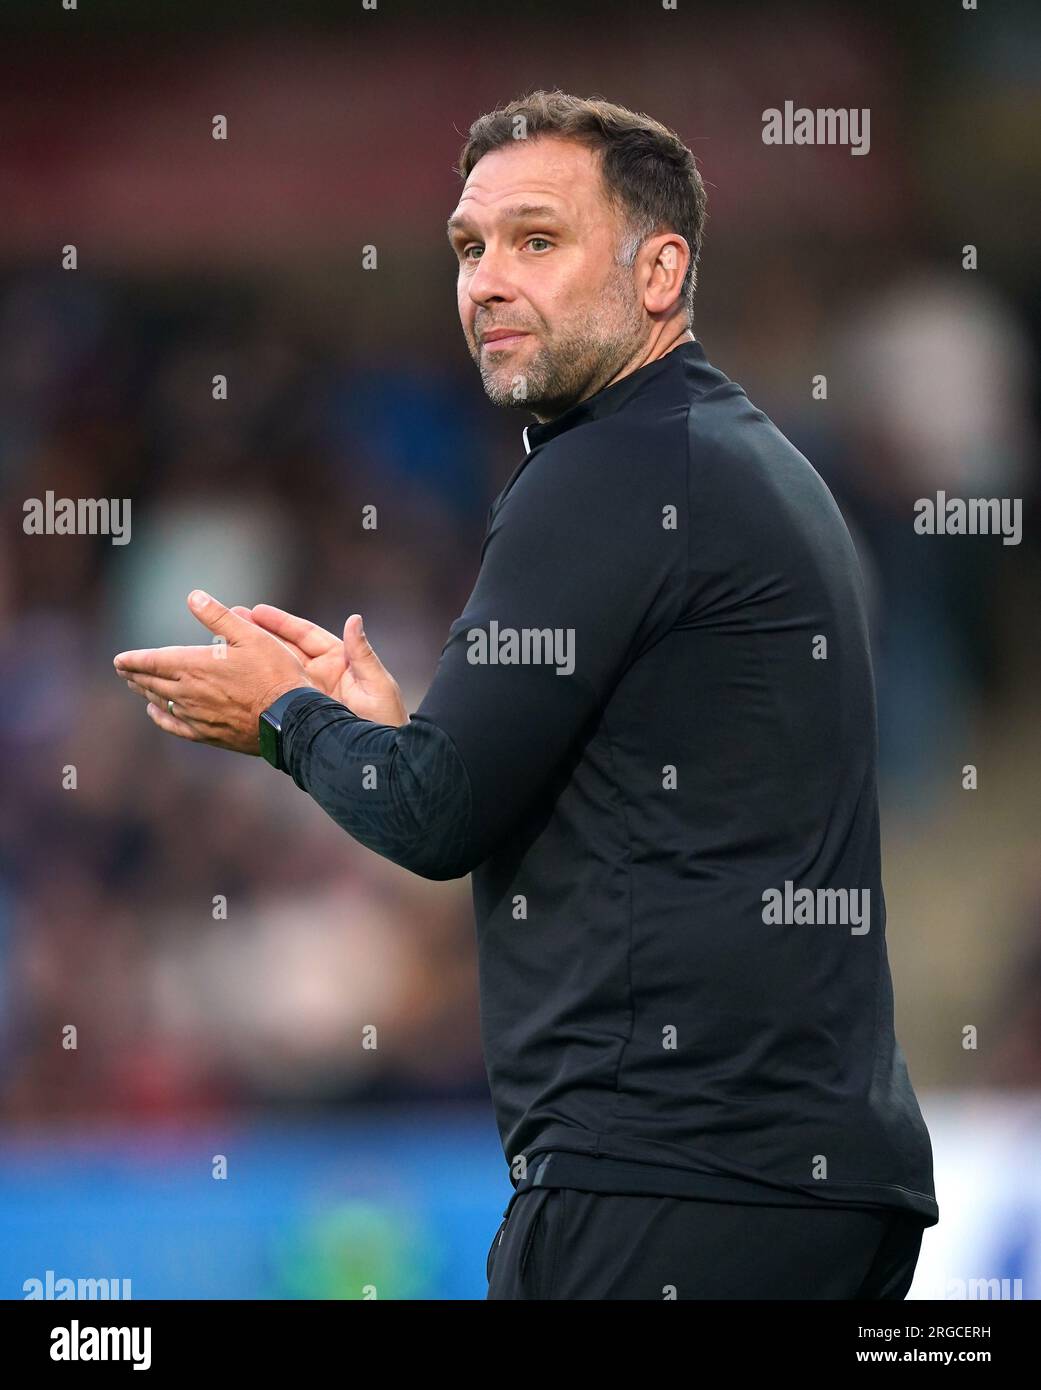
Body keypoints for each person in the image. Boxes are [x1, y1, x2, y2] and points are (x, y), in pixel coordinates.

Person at [114, 90, 938, 1299]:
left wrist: (290, 721)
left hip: (668, 1182)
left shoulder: (610, 470)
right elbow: (541, 796)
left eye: (536, 241)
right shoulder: (734, 455)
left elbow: (434, 818)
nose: (486, 281)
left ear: (660, 271)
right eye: (469, 247)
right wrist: (385, 736)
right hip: (801, 1183)